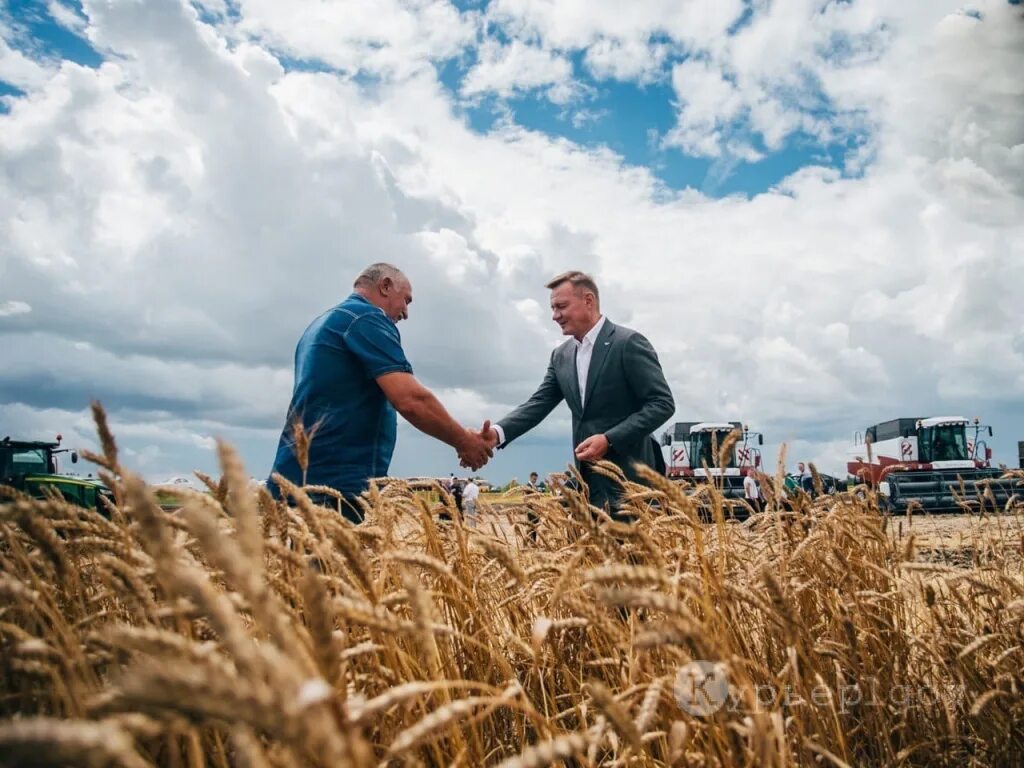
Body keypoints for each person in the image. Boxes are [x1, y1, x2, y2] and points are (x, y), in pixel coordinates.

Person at [267, 263, 493, 523]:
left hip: (300, 479)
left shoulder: (320, 325)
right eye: (406, 300)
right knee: (331, 564)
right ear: (385, 286)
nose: (406, 312)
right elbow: (411, 400)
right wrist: (464, 441)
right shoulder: (366, 319)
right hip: (334, 486)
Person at [480, 270, 675, 515]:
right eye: (553, 308)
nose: (555, 316)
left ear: (588, 301)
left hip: (632, 485)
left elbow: (662, 403)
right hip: (587, 486)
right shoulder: (560, 355)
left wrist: (609, 439)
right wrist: (496, 434)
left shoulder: (628, 343)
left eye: (561, 306)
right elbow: (539, 403)